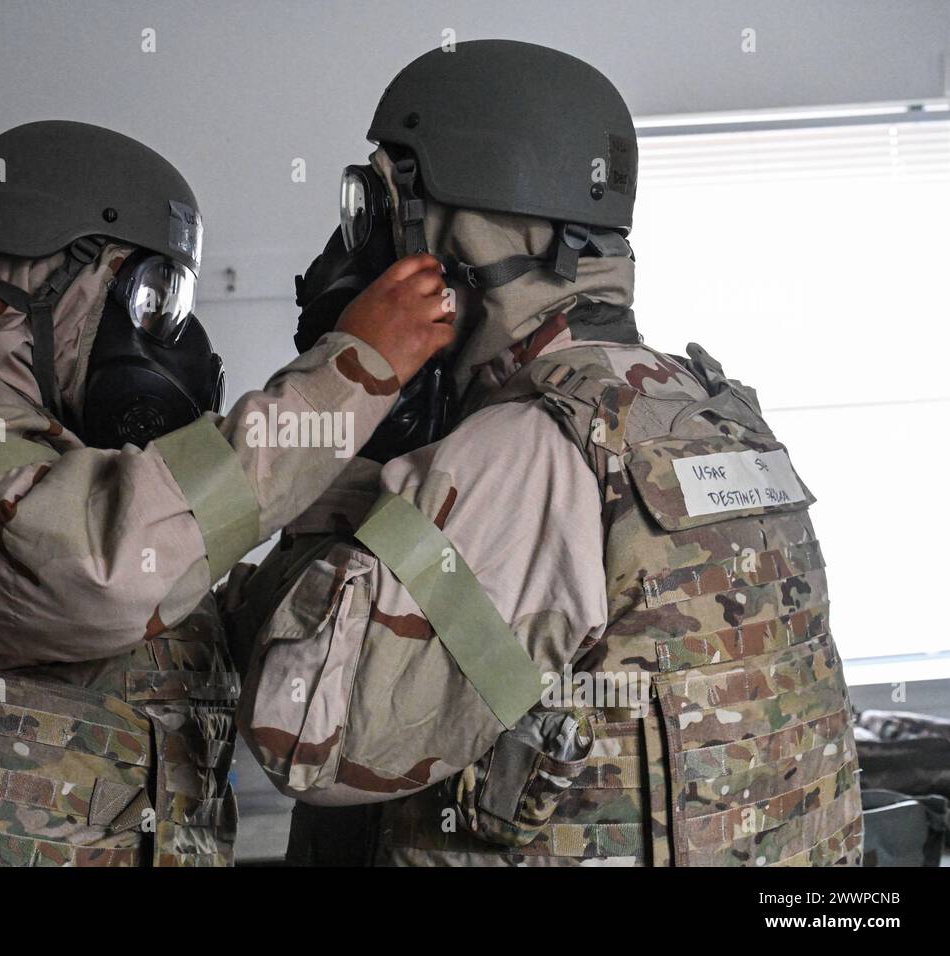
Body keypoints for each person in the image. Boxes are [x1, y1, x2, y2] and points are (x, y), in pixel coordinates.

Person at [228, 40, 862, 867]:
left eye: (373, 206)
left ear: (448, 226)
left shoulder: (525, 449)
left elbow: (311, 740)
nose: (358, 244)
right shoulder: (717, 413)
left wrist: (330, 461)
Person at [0, 120, 453, 866]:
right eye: (153, 296)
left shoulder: (52, 450)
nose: (170, 336)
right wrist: (350, 376)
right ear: (55, 278)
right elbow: (103, 574)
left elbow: (161, 636)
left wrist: (341, 518)